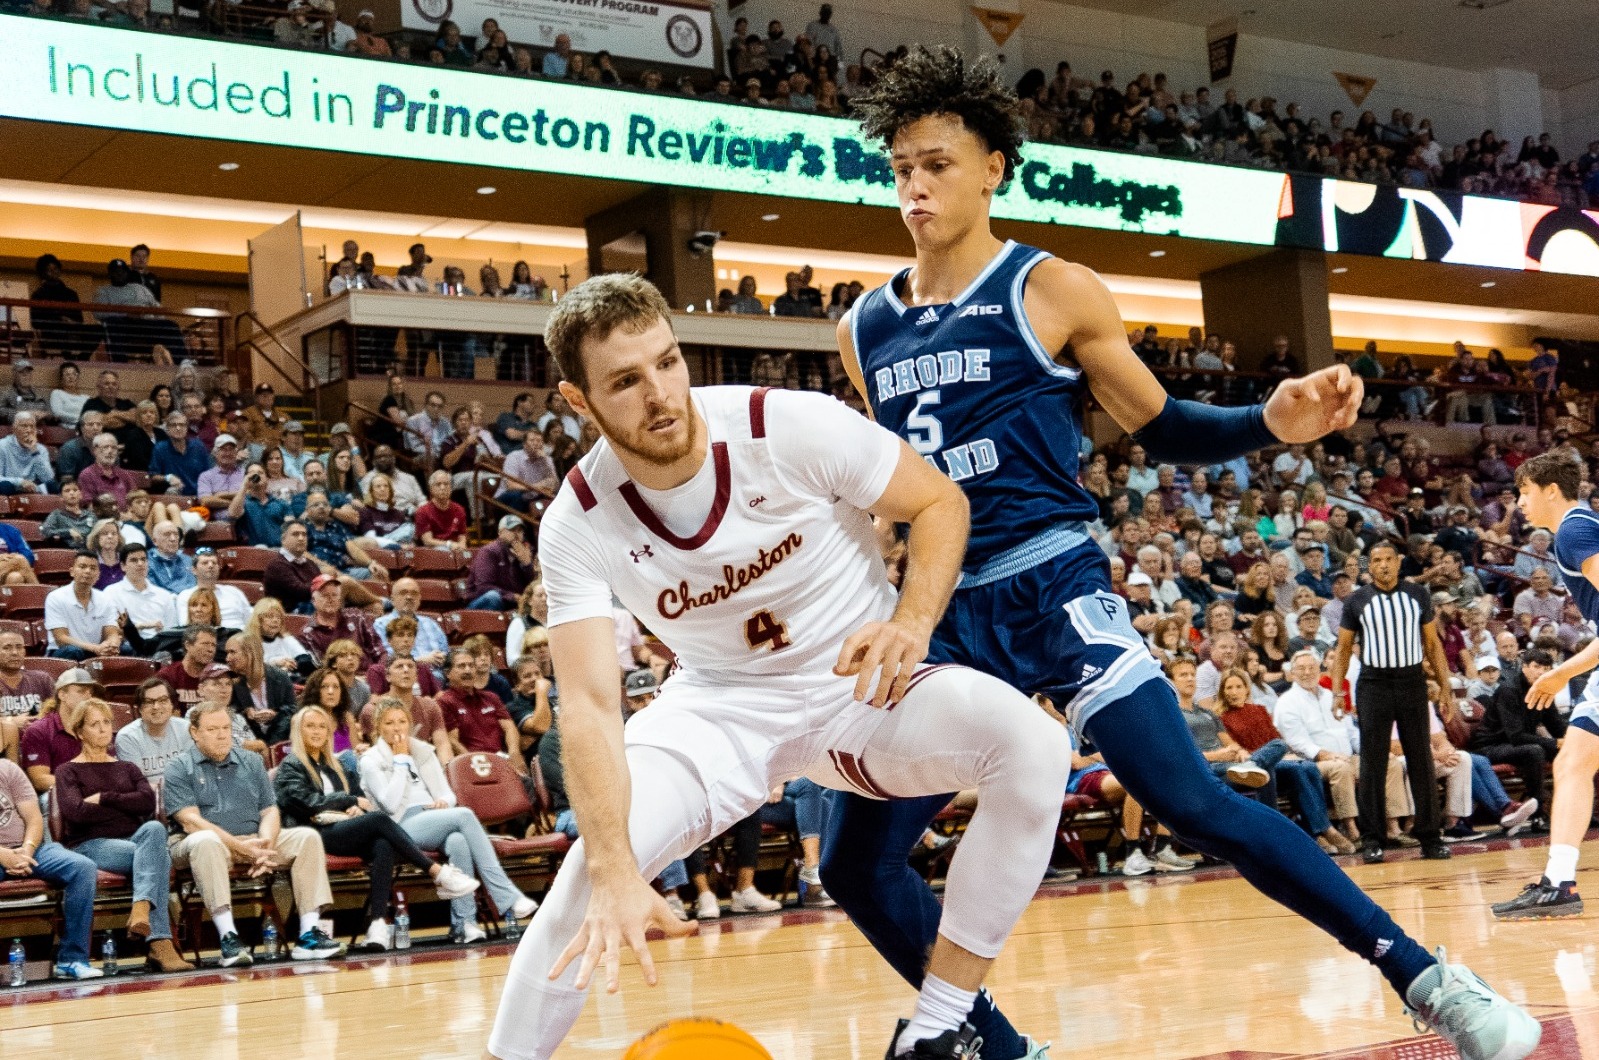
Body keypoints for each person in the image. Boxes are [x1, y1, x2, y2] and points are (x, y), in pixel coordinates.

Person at [825, 46, 1536, 1060]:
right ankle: (989, 1042)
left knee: (1190, 797)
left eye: (936, 163)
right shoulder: (866, 327)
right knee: (855, 864)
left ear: (993, 168)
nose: (914, 187)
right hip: (938, 608)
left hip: (1050, 578)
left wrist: (1267, 420)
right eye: (900, 168)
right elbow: (886, 489)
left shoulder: (1051, 288)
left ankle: (1425, 976)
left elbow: (1159, 425)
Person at [485, 272, 1073, 1060]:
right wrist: (618, 867)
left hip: (854, 684)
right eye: (625, 381)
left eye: (666, 362)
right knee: (588, 882)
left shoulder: (784, 424)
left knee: (1034, 748)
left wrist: (910, 619)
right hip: (719, 705)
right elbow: (589, 705)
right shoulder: (576, 519)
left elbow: (939, 502)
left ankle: (941, 1022)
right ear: (577, 400)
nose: (659, 394)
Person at [274, 705, 479, 952]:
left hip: (344, 827)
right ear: (298, 731)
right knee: (380, 820)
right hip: (313, 833)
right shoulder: (291, 766)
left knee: (382, 845)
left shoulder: (336, 764)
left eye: (322, 726)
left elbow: (361, 798)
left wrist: (357, 808)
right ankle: (437, 872)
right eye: (310, 726)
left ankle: (377, 925)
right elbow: (304, 803)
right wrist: (348, 801)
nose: (317, 732)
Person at [1491, 453, 1599, 919]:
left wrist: (1563, 671)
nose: (1519, 502)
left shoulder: (1574, 530)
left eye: (1525, 492)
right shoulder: (1574, 531)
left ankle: (1559, 882)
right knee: (1574, 759)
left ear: (1551, 490)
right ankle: (1559, 883)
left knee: (1574, 761)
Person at [163, 700, 346, 967]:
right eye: (213, 729)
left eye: (226, 727)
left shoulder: (251, 761)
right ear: (194, 733)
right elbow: (191, 822)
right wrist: (244, 849)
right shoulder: (179, 767)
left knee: (307, 837)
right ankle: (229, 938)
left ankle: (309, 935)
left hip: (255, 841)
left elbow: (270, 811)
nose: (223, 734)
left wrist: (264, 848)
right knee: (206, 841)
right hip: (197, 843)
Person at [361, 698, 538, 943]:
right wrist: (401, 761)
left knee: (458, 841)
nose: (397, 728)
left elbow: (446, 793)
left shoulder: (422, 751)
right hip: (398, 826)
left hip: (433, 817)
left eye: (402, 721)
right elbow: (389, 805)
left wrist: (443, 802)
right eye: (389, 723)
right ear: (379, 727)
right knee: (465, 816)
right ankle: (506, 896)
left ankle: (464, 924)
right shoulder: (370, 760)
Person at [1330, 540, 1459, 863]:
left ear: (1398, 563)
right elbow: (1344, 649)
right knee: (1373, 762)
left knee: (1421, 759)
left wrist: (1446, 687)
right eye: (1377, 560)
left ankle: (1430, 837)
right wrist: (1337, 691)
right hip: (1373, 684)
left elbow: (1432, 644)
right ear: (1369, 566)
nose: (1384, 565)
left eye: (1389, 559)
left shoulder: (1417, 595)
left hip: (1412, 681)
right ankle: (1373, 838)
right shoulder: (1357, 600)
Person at [55, 698, 193, 972]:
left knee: (154, 829)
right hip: (91, 844)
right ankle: (160, 943)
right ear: (79, 731)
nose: (104, 729)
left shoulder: (127, 767)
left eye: (107, 723)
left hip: (136, 838)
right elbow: (76, 813)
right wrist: (122, 805)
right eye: (95, 724)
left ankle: (141, 908)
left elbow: (146, 803)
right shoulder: (67, 770)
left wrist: (104, 798)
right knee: (157, 857)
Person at [0, 753, 102, 979]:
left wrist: (26, 850)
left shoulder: (8, 769)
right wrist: (3, 855)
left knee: (82, 867)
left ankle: (72, 960)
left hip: (32, 849)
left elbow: (34, 819)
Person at [116, 677, 193, 784]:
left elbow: (192, 776)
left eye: (163, 700)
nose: (156, 706)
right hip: (149, 799)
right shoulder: (128, 737)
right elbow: (138, 786)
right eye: (149, 702)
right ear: (139, 709)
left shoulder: (186, 729)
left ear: (172, 705)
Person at [45, 552, 120, 661]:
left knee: (127, 649)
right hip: (63, 652)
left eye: (93, 568)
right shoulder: (56, 597)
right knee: (73, 651)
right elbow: (61, 638)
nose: (88, 571)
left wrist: (111, 645)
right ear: (72, 572)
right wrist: (95, 648)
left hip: (96, 650)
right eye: (82, 567)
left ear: (98, 575)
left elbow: (112, 632)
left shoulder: (105, 599)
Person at [465, 514, 535, 610]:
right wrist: (512, 596)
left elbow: (533, 585)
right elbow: (483, 587)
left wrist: (527, 564)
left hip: (510, 603)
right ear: (500, 533)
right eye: (511, 530)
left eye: (519, 531)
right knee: (493, 597)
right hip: (478, 604)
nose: (516, 534)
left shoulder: (526, 552)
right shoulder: (489, 551)